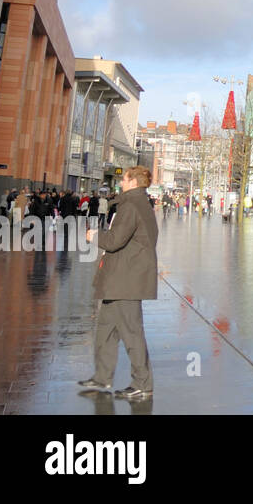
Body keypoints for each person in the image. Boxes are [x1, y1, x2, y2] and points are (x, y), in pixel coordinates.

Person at [77, 165, 159, 401]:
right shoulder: (139, 203)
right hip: (122, 277)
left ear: (133, 181)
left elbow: (114, 240)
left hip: (126, 280)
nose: (121, 183)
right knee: (106, 329)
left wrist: (94, 236)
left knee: (132, 333)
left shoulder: (131, 205)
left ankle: (142, 384)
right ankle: (102, 376)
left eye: (124, 179)